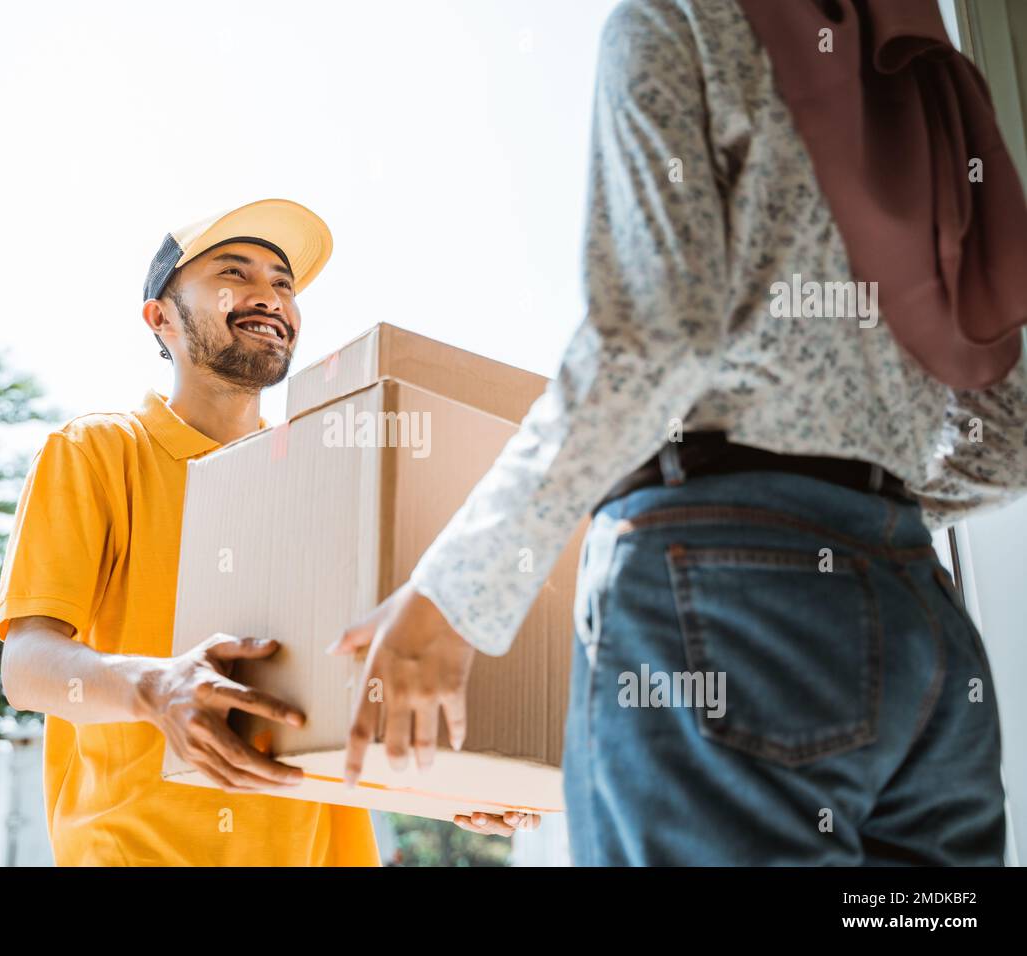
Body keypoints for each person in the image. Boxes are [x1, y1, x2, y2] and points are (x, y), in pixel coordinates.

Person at [334, 0, 1027, 865]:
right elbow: (1007, 441)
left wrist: (452, 596)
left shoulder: (675, 22)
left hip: (725, 602)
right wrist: (846, 501)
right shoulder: (928, 84)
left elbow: (656, 336)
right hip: (919, 618)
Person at [0, 198, 530, 866]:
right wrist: (156, 688)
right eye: (234, 273)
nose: (269, 296)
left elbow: (334, 701)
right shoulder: (97, 451)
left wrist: (452, 784)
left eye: (283, 283)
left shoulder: (321, 474)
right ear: (159, 317)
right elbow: (27, 668)